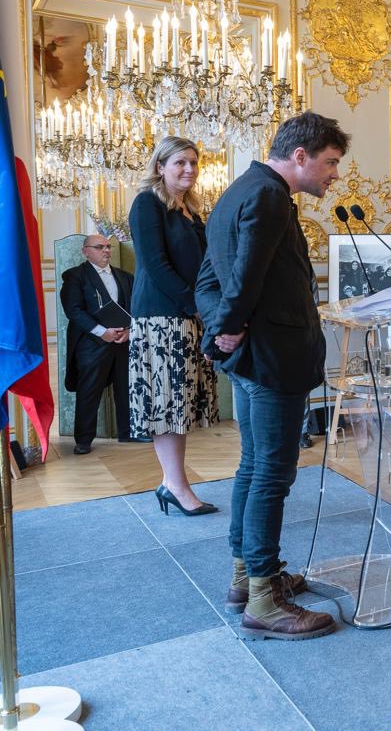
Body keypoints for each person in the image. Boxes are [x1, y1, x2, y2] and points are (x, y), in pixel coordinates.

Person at [196, 110, 348, 641]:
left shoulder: (239, 189)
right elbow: (243, 278)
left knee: (253, 467)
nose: (334, 175)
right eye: (329, 163)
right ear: (300, 155)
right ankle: (264, 599)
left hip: (251, 362)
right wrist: (231, 327)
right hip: (273, 361)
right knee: (271, 476)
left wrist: (222, 333)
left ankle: (248, 575)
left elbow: (206, 282)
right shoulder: (268, 197)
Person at [128, 135, 219, 516]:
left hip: (188, 317)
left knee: (179, 406)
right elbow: (155, 265)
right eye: (180, 162)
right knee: (167, 405)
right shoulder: (147, 204)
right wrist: (195, 306)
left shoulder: (190, 210)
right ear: (160, 167)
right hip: (161, 321)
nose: (189, 169)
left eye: (194, 163)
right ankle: (176, 485)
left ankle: (172, 483)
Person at [60, 234, 138, 455]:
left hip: (123, 340)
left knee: (127, 388)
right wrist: (102, 332)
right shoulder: (75, 276)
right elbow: (74, 311)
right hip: (92, 343)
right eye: (99, 247)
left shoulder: (125, 277)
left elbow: (136, 307)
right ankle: (83, 440)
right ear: (86, 251)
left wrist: (130, 331)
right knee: (89, 391)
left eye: (108, 246)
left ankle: (128, 432)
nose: (106, 250)